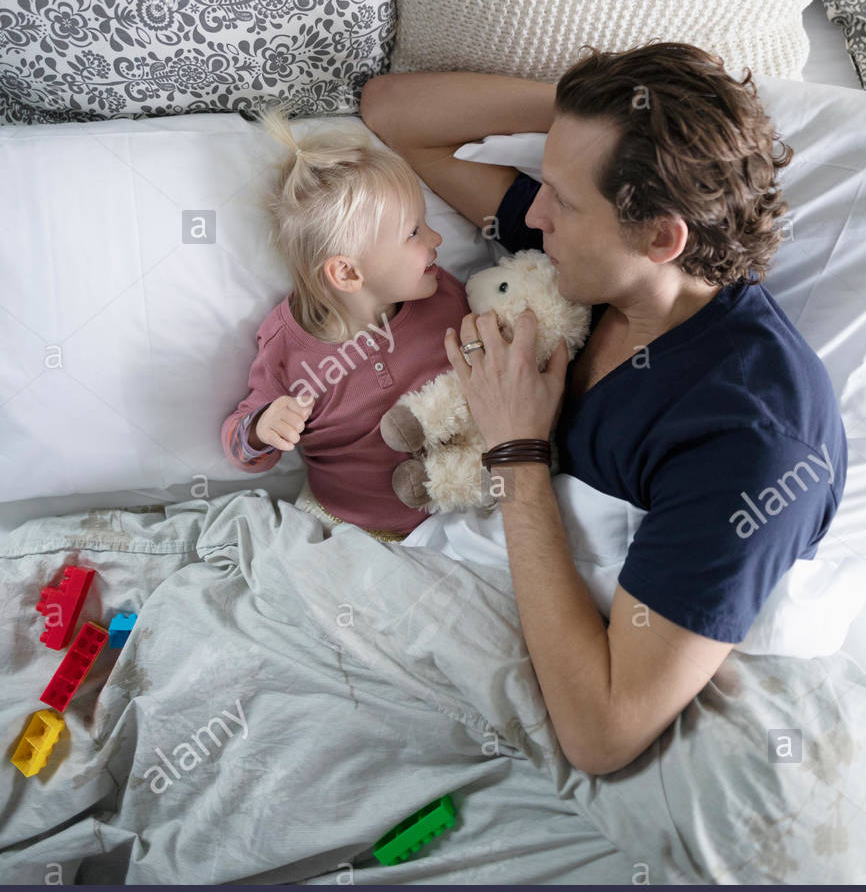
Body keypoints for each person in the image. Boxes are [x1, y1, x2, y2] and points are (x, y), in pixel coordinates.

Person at [359, 42, 847, 774]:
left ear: (661, 235)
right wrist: (606, 114)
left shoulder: (750, 442)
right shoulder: (588, 271)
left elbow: (603, 734)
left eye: (563, 197)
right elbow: (393, 112)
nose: (537, 211)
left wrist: (517, 453)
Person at [220, 109, 470, 542]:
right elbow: (241, 448)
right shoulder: (287, 349)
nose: (436, 240)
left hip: (458, 506)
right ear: (348, 274)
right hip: (348, 528)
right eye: (414, 233)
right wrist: (262, 428)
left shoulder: (443, 294)